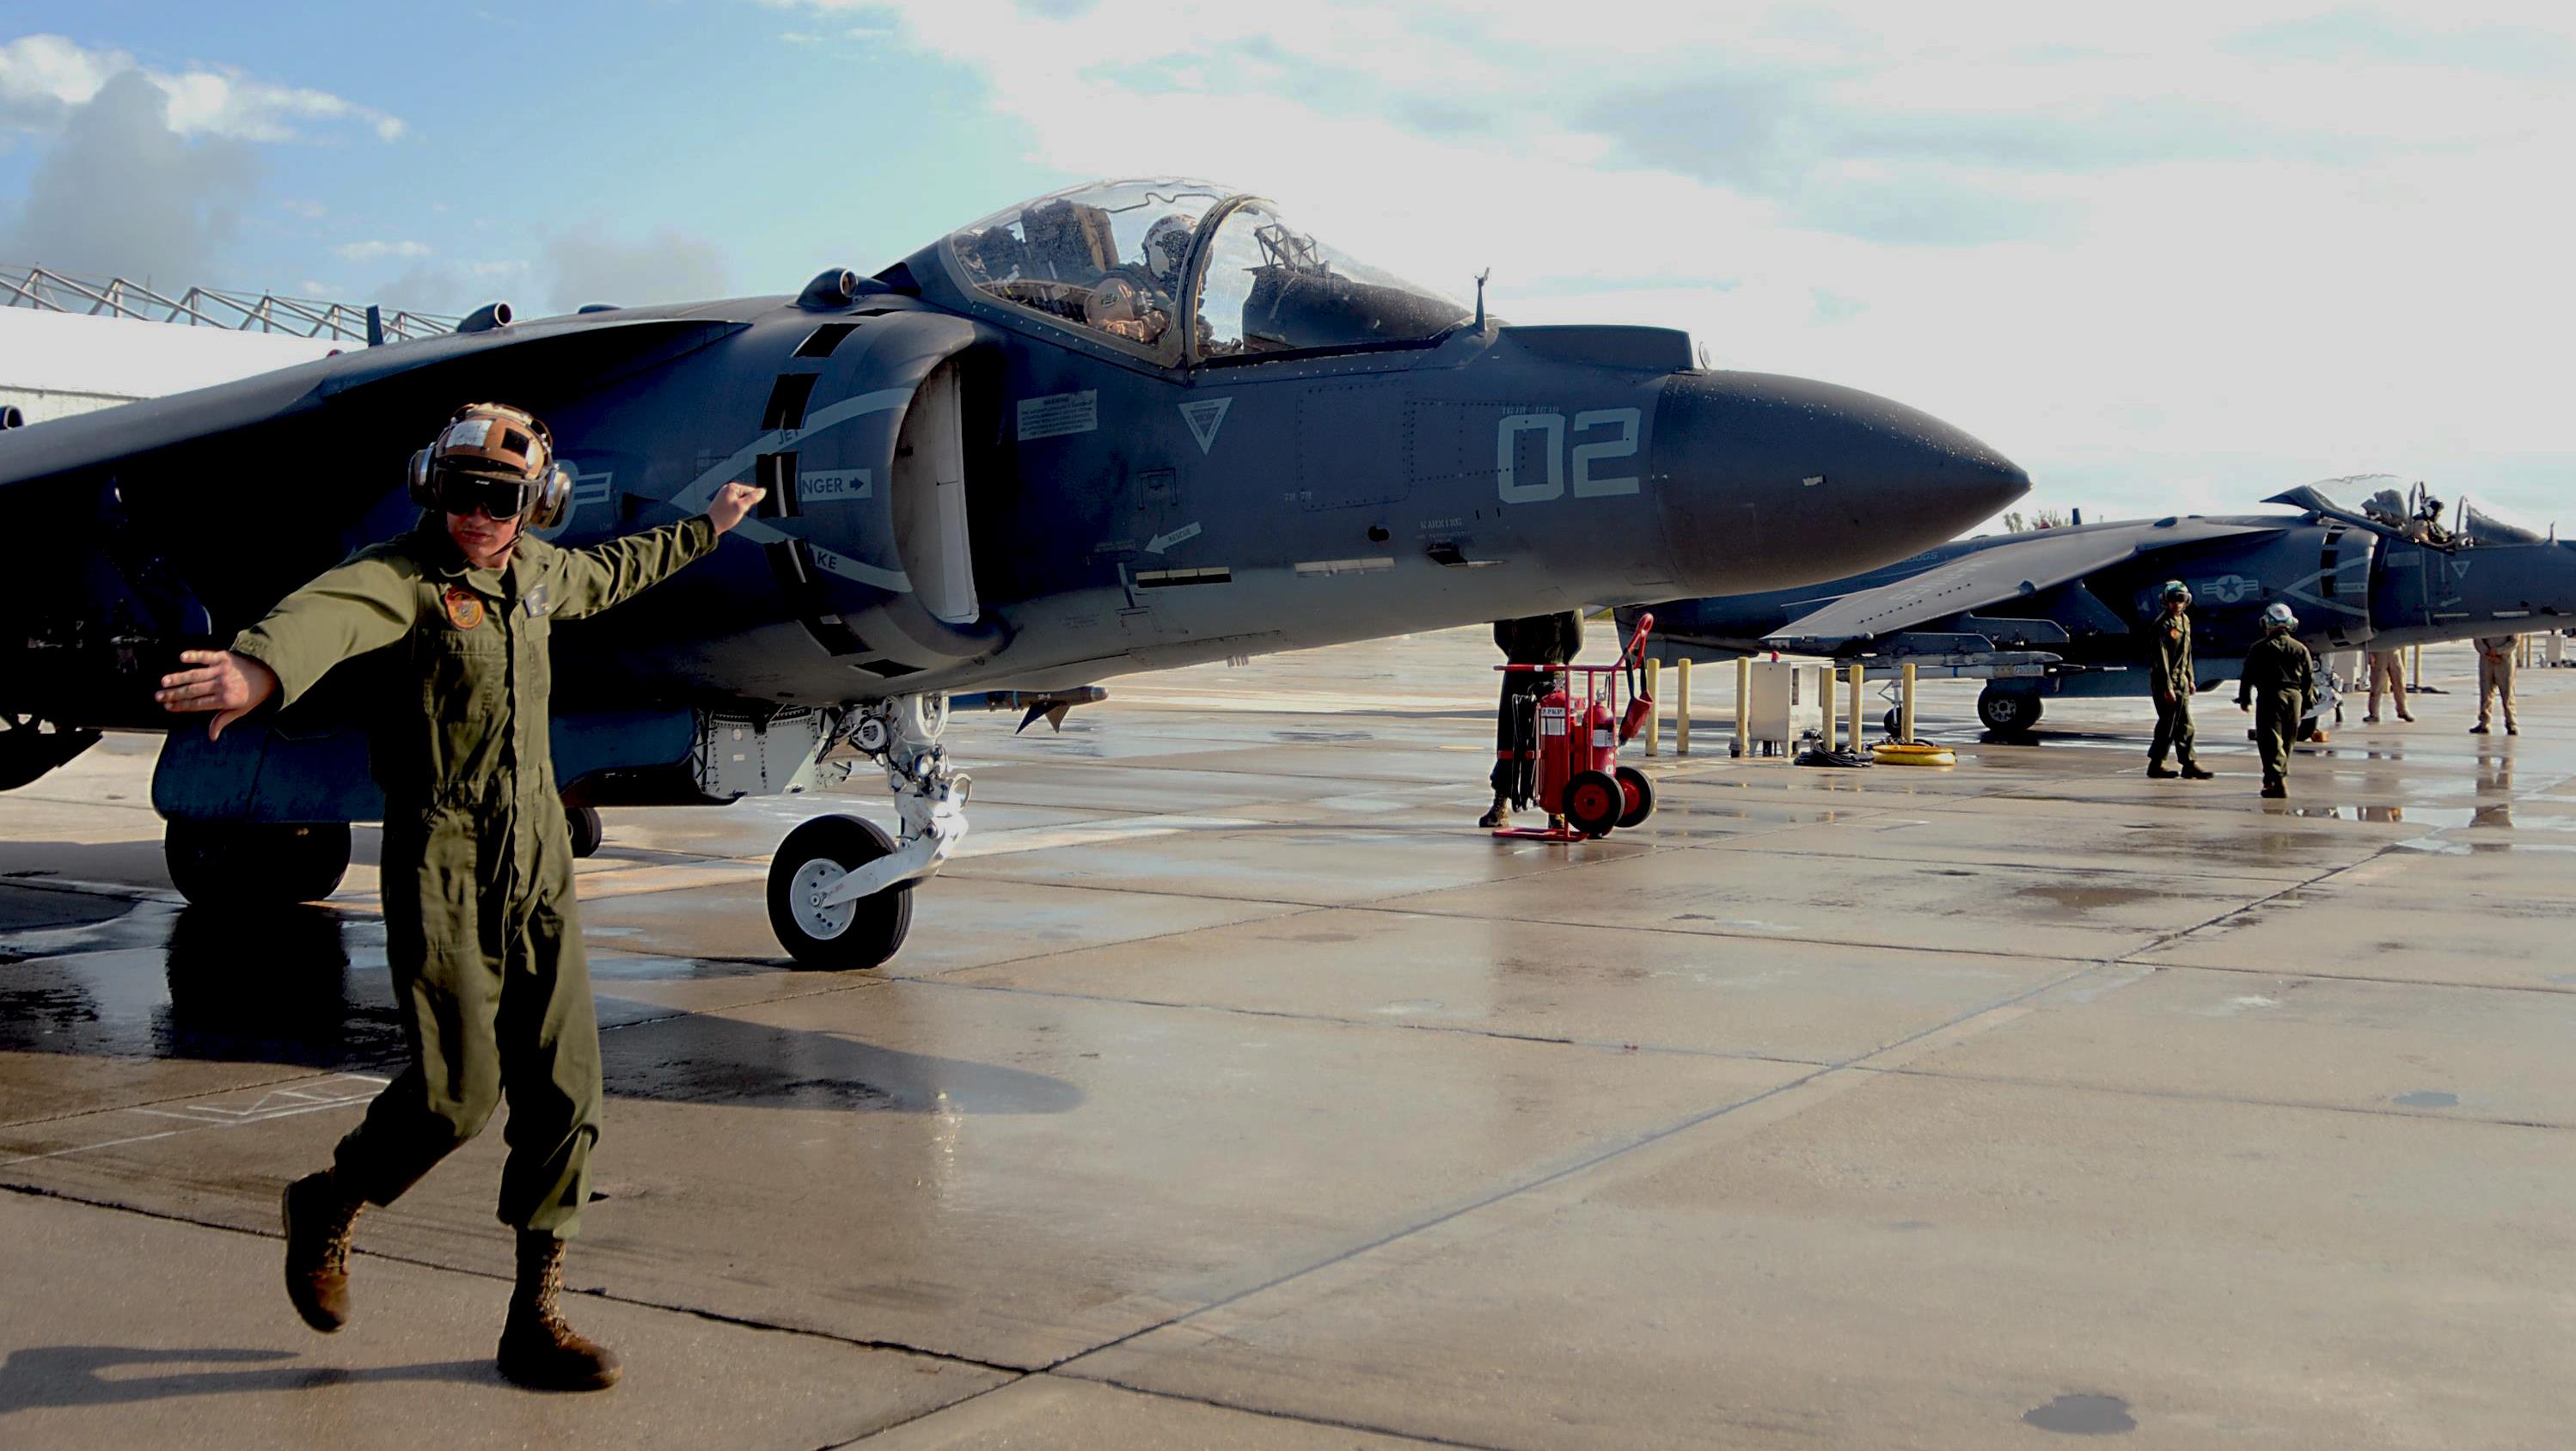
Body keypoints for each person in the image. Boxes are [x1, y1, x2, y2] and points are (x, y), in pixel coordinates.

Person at [154, 402, 766, 1393]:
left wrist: (709, 528)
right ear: (431, 490)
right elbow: (332, 608)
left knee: (569, 1090)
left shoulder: (541, 573)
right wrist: (258, 668)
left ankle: (535, 1318)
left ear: (538, 503)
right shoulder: (408, 578)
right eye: (461, 494)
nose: (478, 516)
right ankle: (331, 1199)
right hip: (441, 857)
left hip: (539, 854)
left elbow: (617, 568)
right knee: (456, 1093)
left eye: (500, 499)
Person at [1480, 610, 1584, 829]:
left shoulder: (1567, 604)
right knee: (1509, 737)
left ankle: (1556, 808)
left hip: (1552, 673)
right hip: (1518, 671)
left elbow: (1575, 641)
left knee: (1554, 742)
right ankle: (1501, 801)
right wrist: (1518, 655)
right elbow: (1502, 635)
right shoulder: (1515, 597)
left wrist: (1555, 661)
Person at [2236, 602, 2317, 799]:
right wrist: (2308, 703)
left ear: (2267, 623)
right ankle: (2272, 777)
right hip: (2294, 697)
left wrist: (2245, 698)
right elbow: (2308, 678)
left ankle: (2277, 780)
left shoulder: (2259, 648)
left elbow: (2247, 675)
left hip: (2271, 696)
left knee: (2270, 740)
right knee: (2288, 740)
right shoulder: (2300, 648)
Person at [2145, 580, 2215, 781]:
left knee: (2185, 724)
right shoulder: (2163, 624)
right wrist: (2167, 687)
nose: (2176, 604)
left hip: (2181, 680)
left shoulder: (2184, 621)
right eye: (2173, 600)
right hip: (2166, 682)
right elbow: (2161, 660)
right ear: (2165, 601)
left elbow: (2187, 653)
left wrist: (2190, 678)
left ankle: (2189, 763)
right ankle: (2156, 764)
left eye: (2180, 599)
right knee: (2168, 725)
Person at [2472, 634, 2519, 735]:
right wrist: (2487, 653)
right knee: (2485, 692)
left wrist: (2498, 651)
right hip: (2486, 659)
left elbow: (2514, 641)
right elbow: (2477, 637)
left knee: (2507, 693)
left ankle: (2511, 723)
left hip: (2505, 660)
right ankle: (2484, 723)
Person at [2362, 647, 2413, 723]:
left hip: (2394, 652)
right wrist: (2369, 654)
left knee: (2399, 682)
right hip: (2379, 652)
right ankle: (2374, 713)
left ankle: (2402, 710)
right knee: (2377, 684)